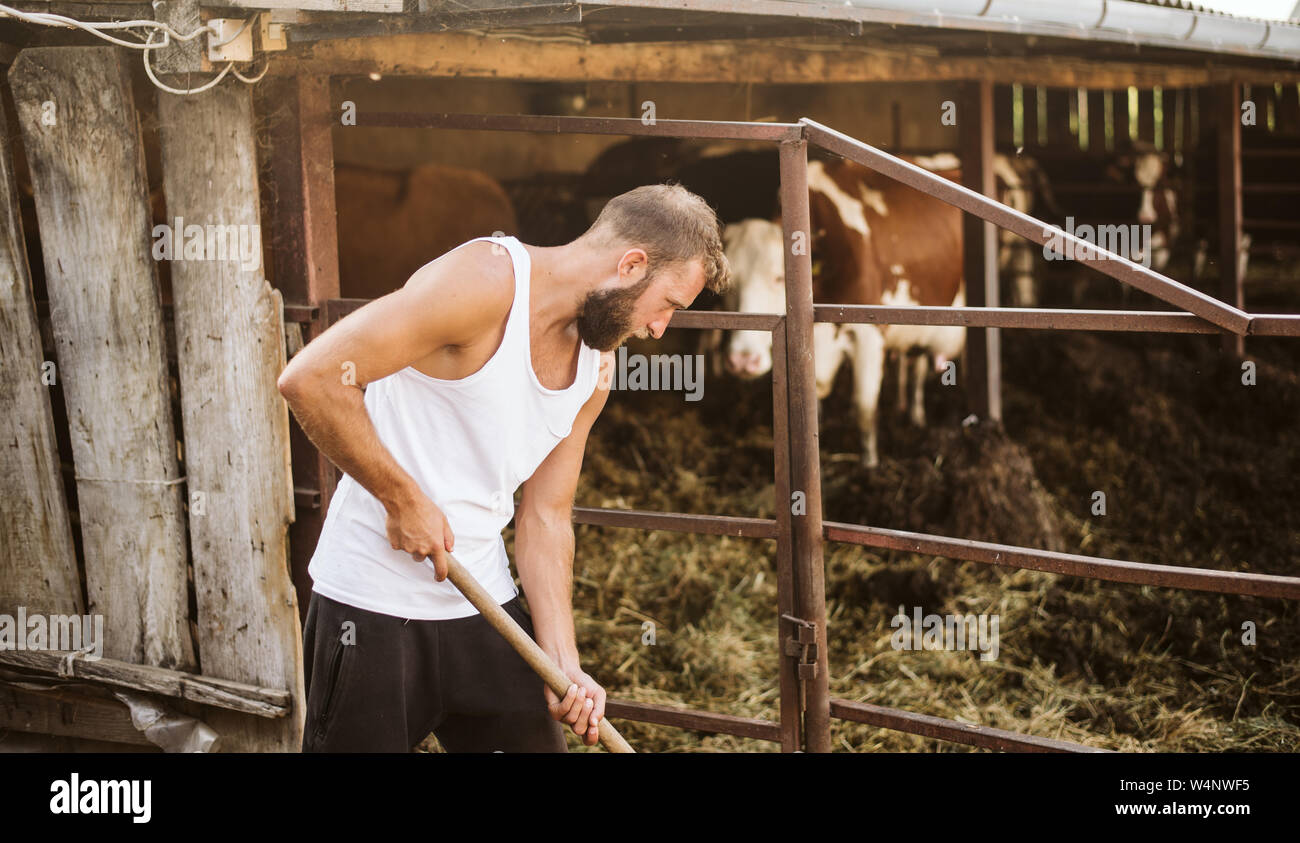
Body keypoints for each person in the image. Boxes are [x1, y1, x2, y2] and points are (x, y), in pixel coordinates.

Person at [278, 182, 731, 752]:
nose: (660, 328)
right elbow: (312, 378)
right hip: (369, 607)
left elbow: (545, 516)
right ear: (632, 264)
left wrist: (563, 663)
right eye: (667, 304)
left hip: (486, 608)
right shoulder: (485, 283)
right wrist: (401, 498)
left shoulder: (595, 368)